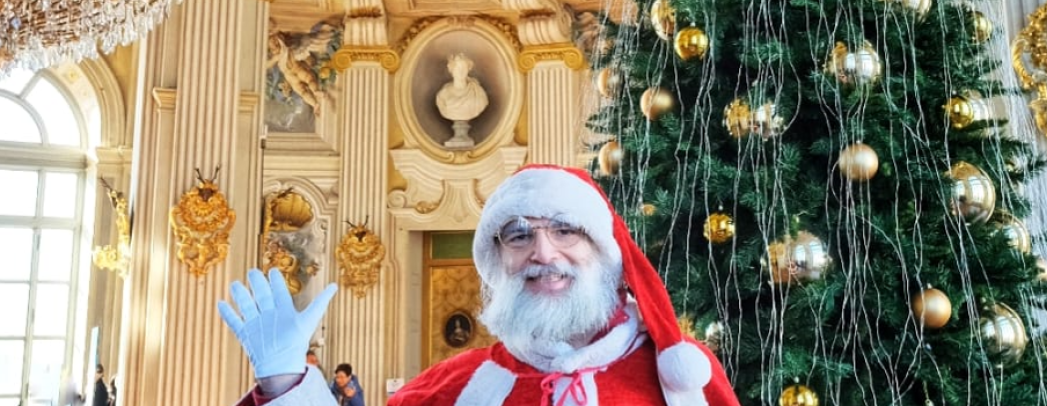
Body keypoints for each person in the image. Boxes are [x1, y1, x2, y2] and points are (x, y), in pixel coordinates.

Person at [219, 164, 739, 405]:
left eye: (565, 230)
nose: (543, 253)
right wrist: (286, 383)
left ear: (604, 253)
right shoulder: (450, 390)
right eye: (519, 236)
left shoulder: (682, 378)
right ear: (497, 263)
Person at [434, 53, 489, 123]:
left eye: (464, 68)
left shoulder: (478, 92)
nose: (461, 71)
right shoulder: (443, 94)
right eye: (457, 68)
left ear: (468, 69)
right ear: (452, 70)